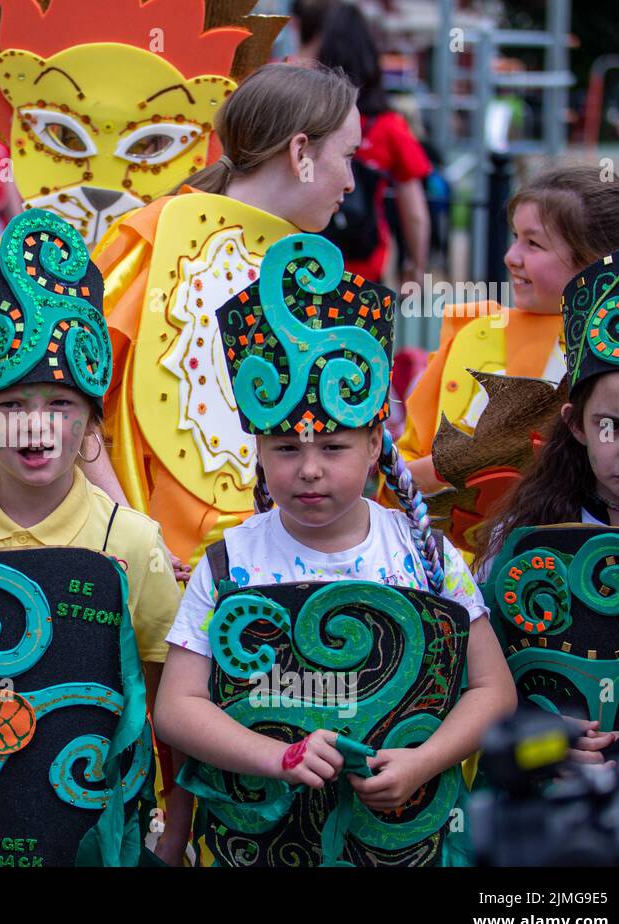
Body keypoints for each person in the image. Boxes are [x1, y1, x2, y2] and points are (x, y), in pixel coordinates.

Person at [153, 231, 516, 866]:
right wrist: (277, 756)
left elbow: (493, 689)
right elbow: (178, 709)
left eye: (334, 447)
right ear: (258, 453)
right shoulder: (229, 562)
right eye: (286, 449)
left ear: (376, 444)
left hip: (403, 841)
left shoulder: (423, 553)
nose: (309, 470)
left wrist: (423, 760)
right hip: (260, 845)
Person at [0, 207, 187, 863]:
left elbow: (167, 706)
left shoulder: (133, 545)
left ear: (90, 424)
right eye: (12, 406)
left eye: (59, 405)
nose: (36, 428)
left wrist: (176, 829)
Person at [93, 62, 362, 567]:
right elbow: (69, 400)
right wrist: (125, 530)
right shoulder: (154, 238)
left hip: (274, 573)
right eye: (347, 157)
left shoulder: (314, 278)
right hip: (146, 577)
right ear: (301, 152)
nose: (350, 182)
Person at [476, 218, 619, 764]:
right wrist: (545, 750)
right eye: (611, 427)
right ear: (575, 426)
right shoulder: (519, 539)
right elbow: (486, 695)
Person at [399, 169, 619, 495]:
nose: (511, 257)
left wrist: (434, 471)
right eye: (515, 237)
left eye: (533, 243)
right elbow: (411, 448)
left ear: (597, 262)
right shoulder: (474, 332)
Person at [301, 1, 431, 287]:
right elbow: (415, 212)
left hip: (306, 263)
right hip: (364, 271)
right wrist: (416, 266)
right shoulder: (389, 125)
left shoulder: (306, 116)